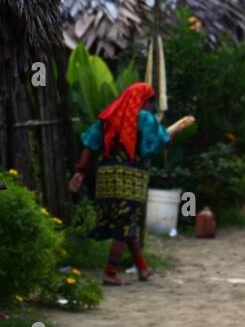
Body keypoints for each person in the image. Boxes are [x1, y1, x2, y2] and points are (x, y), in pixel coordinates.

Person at [68, 83, 194, 285]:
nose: (151, 107)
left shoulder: (108, 117)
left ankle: (143, 268)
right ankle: (110, 272)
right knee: (125, 223)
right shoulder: (143, 118)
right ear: (144, 101)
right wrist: (175, 131)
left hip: (107, 177)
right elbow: (160, 142)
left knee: (126, 221)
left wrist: (80, 172)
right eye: (150, 101)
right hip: (131, 177)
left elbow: (90, 145)